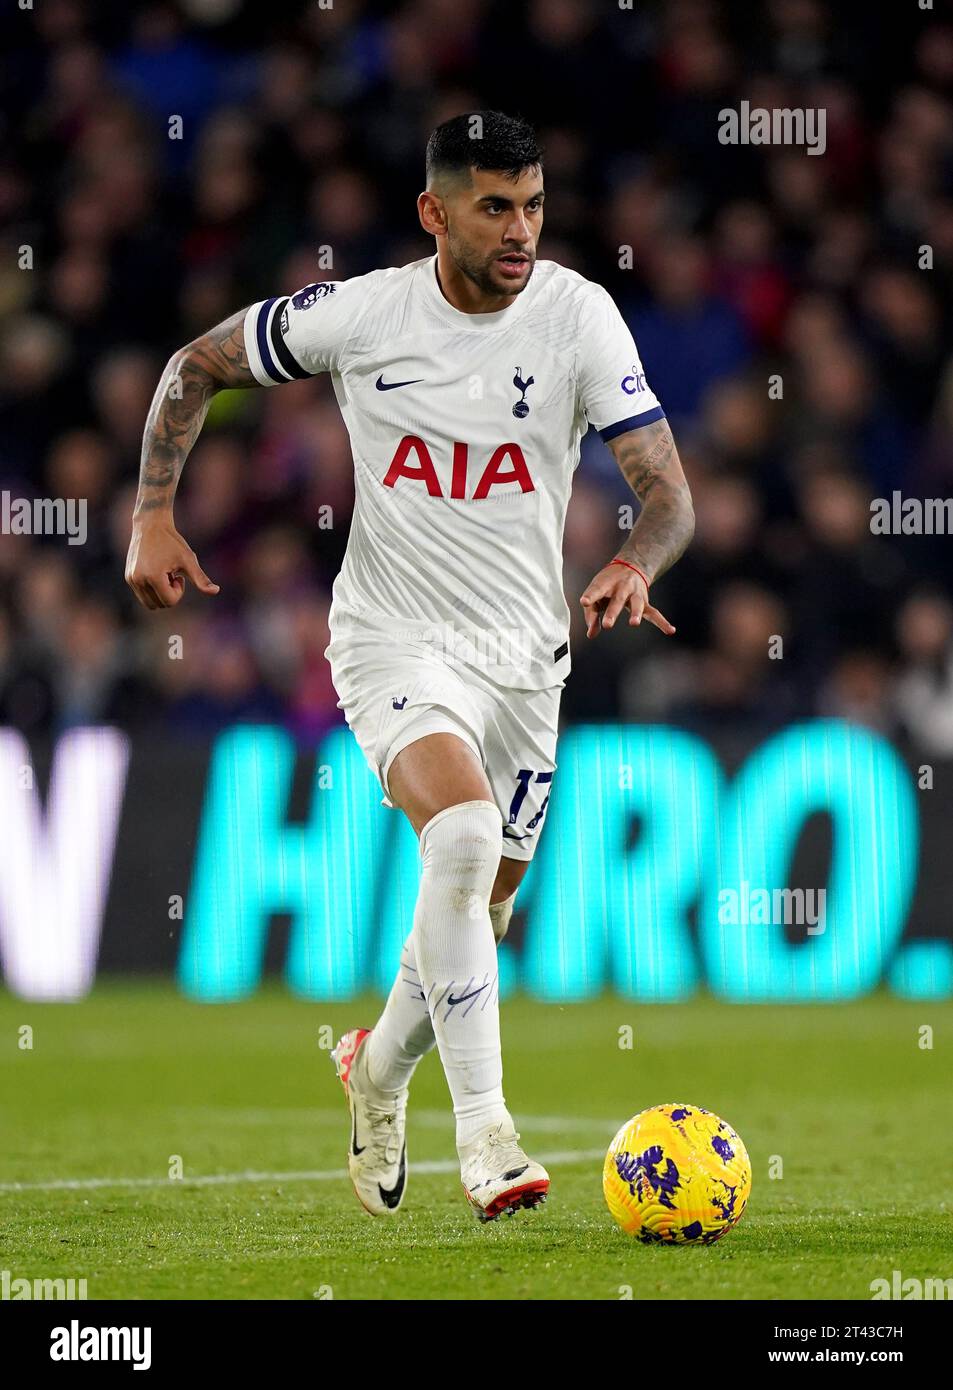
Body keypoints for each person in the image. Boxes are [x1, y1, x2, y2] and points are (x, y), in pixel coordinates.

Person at [125, 111, 695, 1221]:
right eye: (493, 207)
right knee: (463, 833)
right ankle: (485, 1135)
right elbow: (195, 364)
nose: (519, 228)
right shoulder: (363, 313)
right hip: (393, 636)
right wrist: (152, 517)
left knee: (478, 910)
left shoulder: (579, 317)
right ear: (434, 213)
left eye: (532, 204)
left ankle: (376, 1069)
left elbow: (667, 490)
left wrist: (634, 557)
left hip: (524, 662)